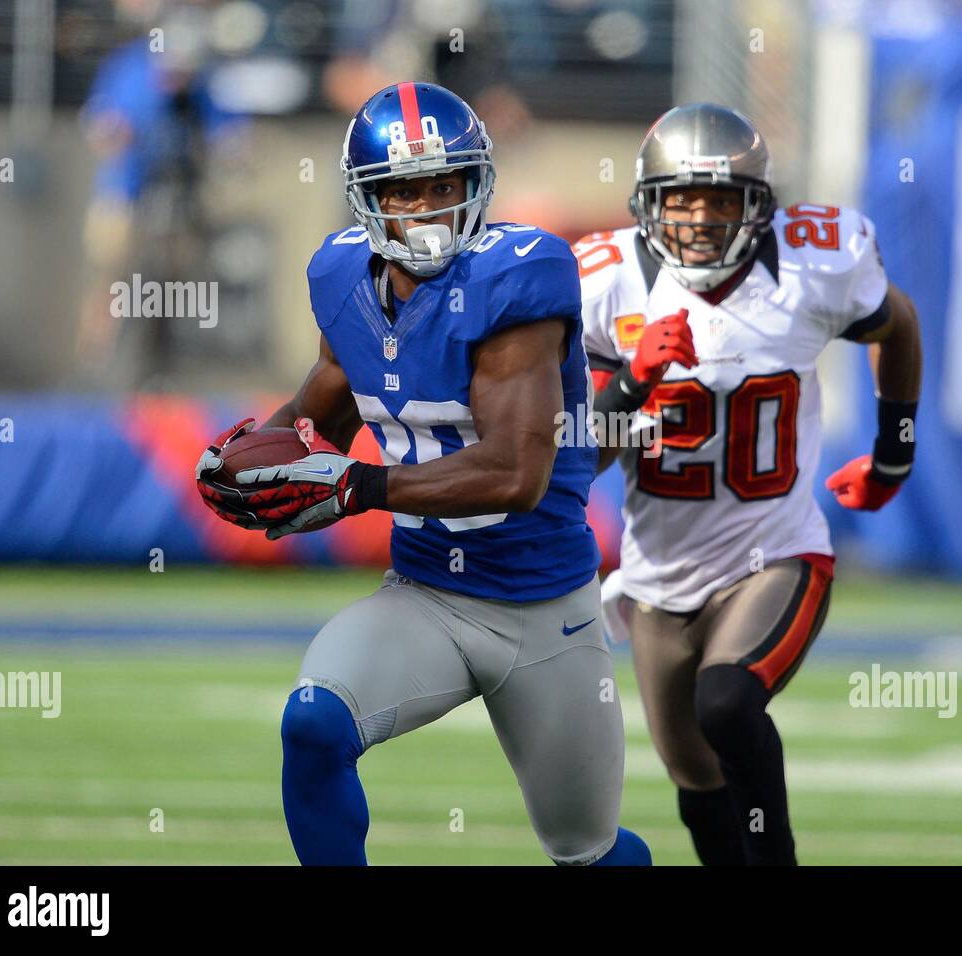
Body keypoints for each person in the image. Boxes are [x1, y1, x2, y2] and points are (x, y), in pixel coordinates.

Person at [195, 82, 649, 866]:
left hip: (544, 611)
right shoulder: (341, 279)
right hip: (428, 596)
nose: (431, 207)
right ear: (368, 199)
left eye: (447, 185)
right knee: (313, 725)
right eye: (407, 189)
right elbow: (318, 418)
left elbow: (515, 473)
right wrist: (243, 463)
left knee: (587, 850)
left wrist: (355, 488)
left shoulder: (520, 274)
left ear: (477, 185)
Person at [579, 103, 922, 865]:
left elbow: (897, 324)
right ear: (648, 202)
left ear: (757, 207)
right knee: (694, 773)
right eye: (682, 198)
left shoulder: (810, 270)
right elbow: (574, 459)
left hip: (777, 552)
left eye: (722, 199)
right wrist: (628, 385)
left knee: (727, 703)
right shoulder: (604, 290)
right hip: (656, 577)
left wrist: (893, 450)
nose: (700, 218)